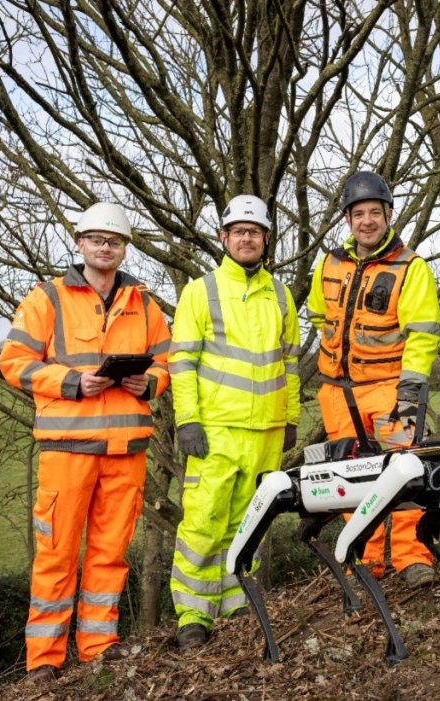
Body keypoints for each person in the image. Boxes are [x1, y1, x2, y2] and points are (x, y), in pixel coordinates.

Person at [0, 202, 172, 683]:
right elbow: (14, 361)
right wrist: (73, 382)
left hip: (125, 452)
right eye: (96, 239)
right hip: (67, 452)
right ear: (79, 242)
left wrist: (150, 383)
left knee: (110, 553)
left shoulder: (143, 302)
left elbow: (168, 361)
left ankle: (98, 645)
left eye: (113, 241)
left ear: (124, 248)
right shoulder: (46, 299)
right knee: (56, 555)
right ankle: (44, 660)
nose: (105, 247)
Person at [168, 194, 301, 649]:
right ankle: (192, 614)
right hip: (216, 431)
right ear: (224, 238)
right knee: (203, 523)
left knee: (249, 524)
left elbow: (290, 363)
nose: (247, 238)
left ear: (266, 240)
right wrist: (187, 421)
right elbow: (182, 361)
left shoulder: (281, 295)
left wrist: (291, 417)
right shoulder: (199, 291)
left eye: (255, 232)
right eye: (239, 231)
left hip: (265, 432)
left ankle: (237, 600)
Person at [307, 171, 440, 588]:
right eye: (358, 213)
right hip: (337, 392)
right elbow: (316, 314)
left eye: (374, 213)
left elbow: (423, 333)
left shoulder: (411, 267)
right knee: (349, 480)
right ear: (347, 219)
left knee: (403, 474)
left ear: (388, 215)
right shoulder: (329, 264)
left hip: (389, 389)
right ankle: (364, 556)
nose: (367, 221)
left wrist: (410, 390)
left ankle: (410, 556)